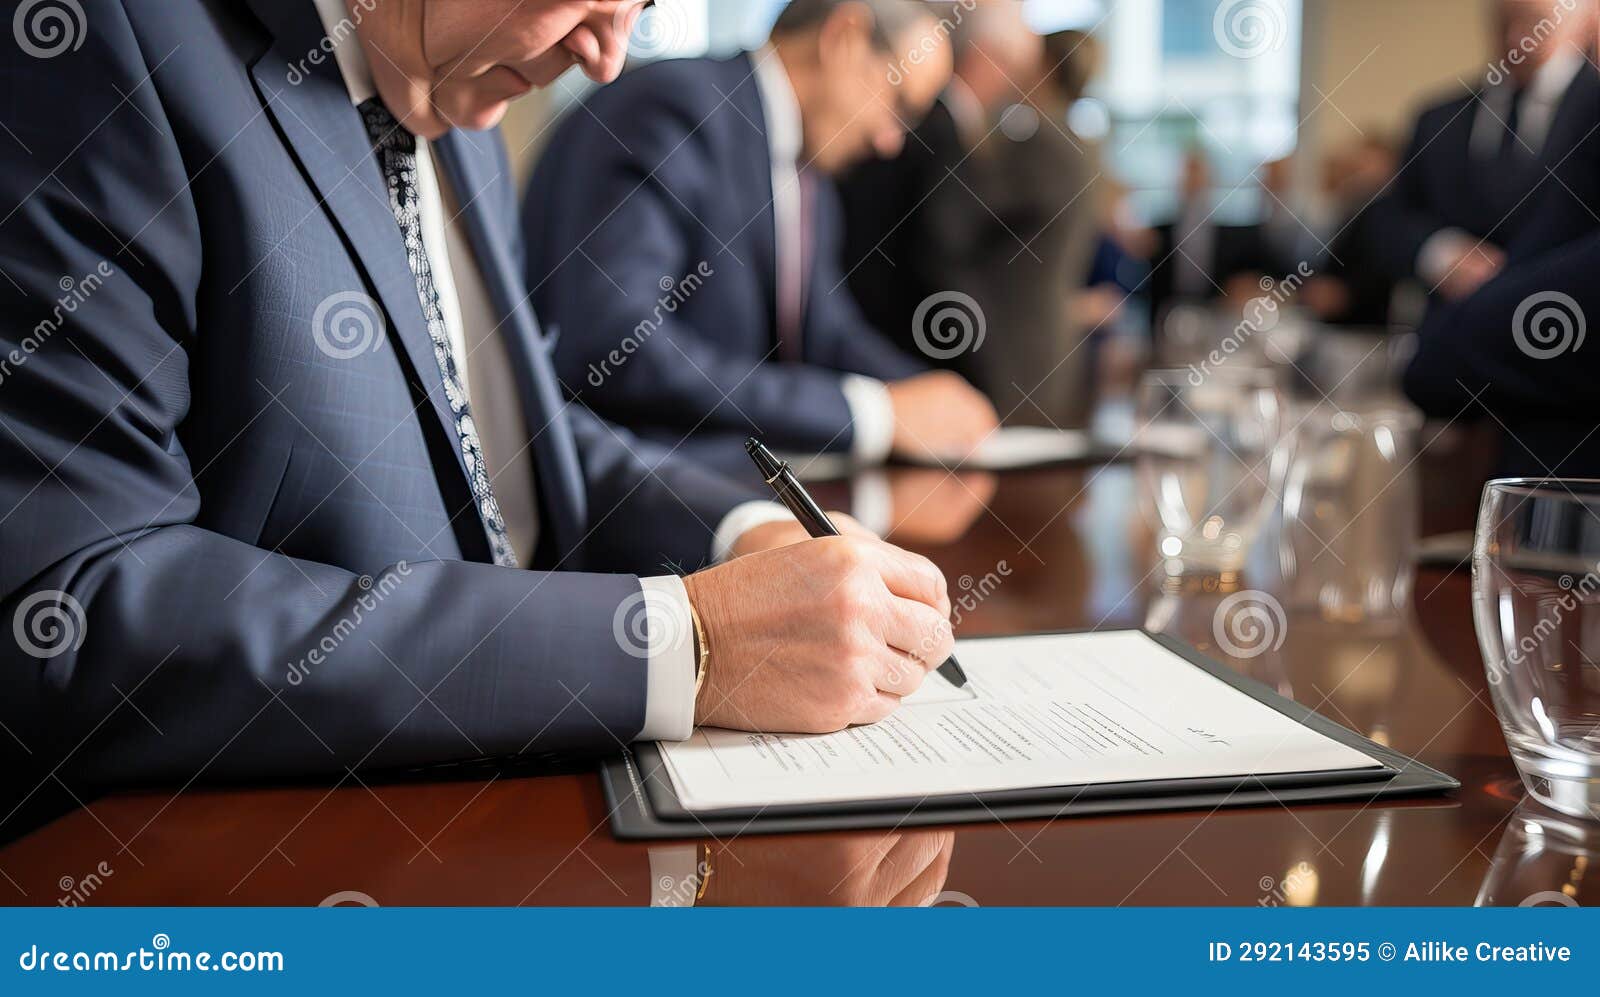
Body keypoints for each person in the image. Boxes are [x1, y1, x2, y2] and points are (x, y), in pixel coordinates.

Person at [0, 0, 961, 811]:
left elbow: (519, 444)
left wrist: (741, 534)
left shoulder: (459, 112)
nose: (609, 52)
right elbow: (78, 603)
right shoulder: (110, 41)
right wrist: (687, 643)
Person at [522, 0, 998, 467]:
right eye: (900, 104)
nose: (890, 142)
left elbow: (827, 331)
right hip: (636, 497)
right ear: (844, 37)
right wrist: (872, 415)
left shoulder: (807, 168)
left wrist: (931, 400)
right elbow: (619, 344)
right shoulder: (674, 105)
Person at [839, 3, 1102, 427]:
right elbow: (936, 253)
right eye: (1015, 68)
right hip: (938, 359)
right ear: (990, 59)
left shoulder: (1010, 141)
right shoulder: (936, 128)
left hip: (971, 361)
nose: (1018, 85)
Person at [1366, 0, 1600, 306]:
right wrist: (1439, 253)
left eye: (1537, 21)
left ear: (1587, 17)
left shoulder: (1592, 113)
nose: (1517, 38)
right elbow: (1391, 217)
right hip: (1454, 334)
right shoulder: (1439, 120)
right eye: (1505, 21)